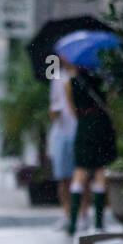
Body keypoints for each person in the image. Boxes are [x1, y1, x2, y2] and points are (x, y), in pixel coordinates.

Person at [65, 65, 117, 237]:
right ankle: (98, 223)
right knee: (100, 171)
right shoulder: (102, 81)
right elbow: (112, 99)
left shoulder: (70, 83)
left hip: (83, 125)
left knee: (80, 171)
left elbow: (72, 109)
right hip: (102, 125)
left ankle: (73, 222)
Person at [48, 61, 77, 229]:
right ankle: (66, 213)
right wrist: (53, 111)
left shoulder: (82, 76)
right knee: (62, 177)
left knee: (78, 176)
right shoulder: (56, 76)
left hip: (77, 130)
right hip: (60, 132)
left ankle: (80, 214)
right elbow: (53, 103)